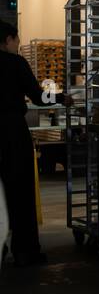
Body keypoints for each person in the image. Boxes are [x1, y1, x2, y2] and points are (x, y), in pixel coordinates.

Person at [0, 20, 51, 266]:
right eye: (16, 40)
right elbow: (39, 97)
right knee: (20, 191)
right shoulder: (15, 63)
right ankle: (25, 251)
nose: (18, 45)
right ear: (7, 40)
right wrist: (62, 97)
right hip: (11, 132)